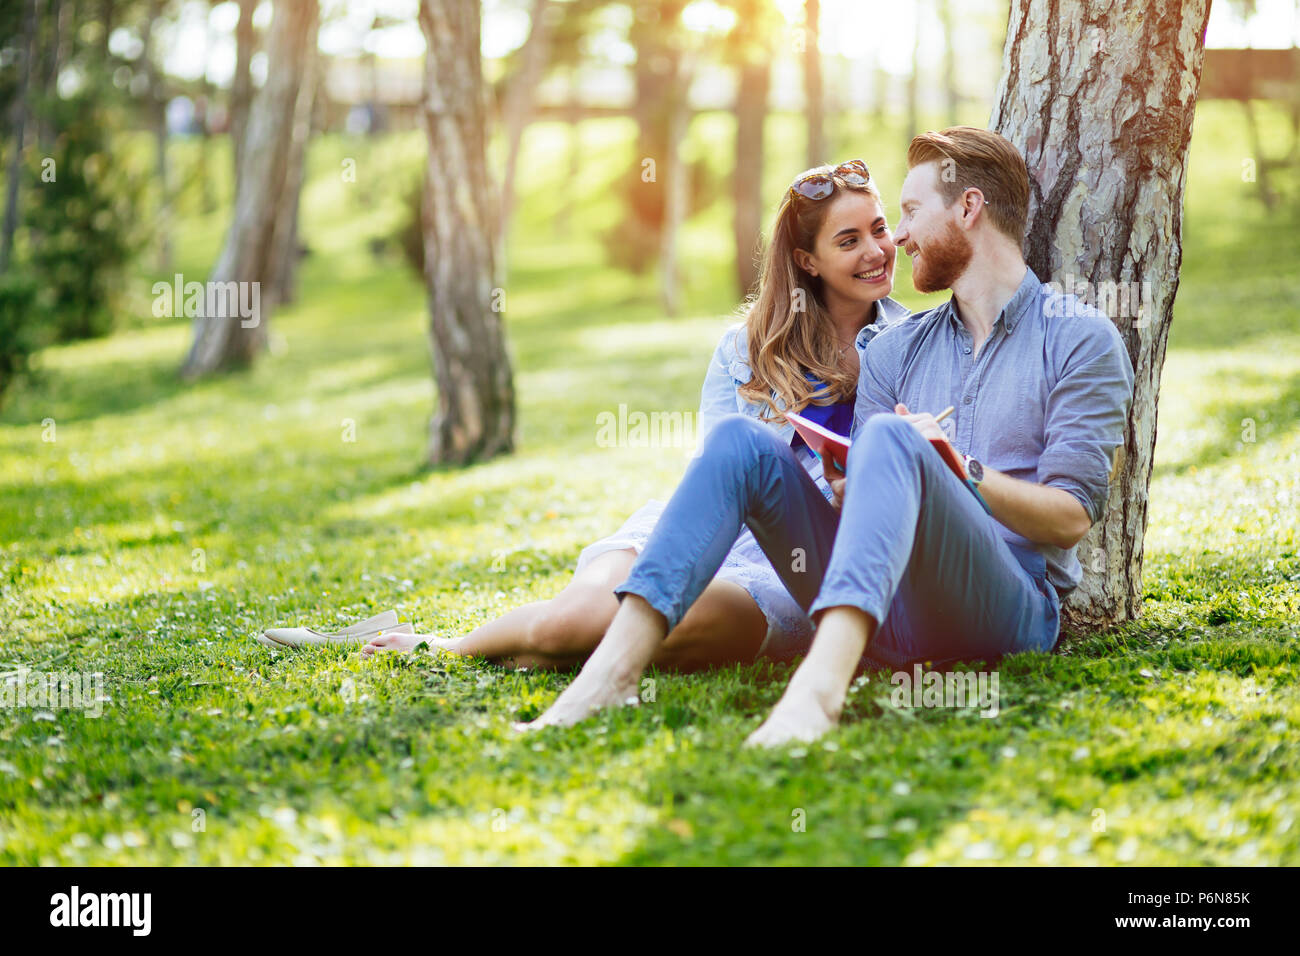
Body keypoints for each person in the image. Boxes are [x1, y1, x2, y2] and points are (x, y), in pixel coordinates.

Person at [521, 127, 1135, 745]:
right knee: (741, 441)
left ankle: (816, 697)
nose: (897, 235)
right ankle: (609, 676)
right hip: (889, 615)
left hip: (1003, 612)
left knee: (897, 440)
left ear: (968, 209)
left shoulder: (1079, 339)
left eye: (911, 211)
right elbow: (863, 510)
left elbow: (1069, 520)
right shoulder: (893, 349)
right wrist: (847, 485)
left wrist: (958, 468)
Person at [358, 159, 909, 671]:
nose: (876, 250)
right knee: (567, 626)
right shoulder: (747, 349)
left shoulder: (910, 345)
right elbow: (720, 480)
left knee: (641, 635)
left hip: (786, 572)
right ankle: (445, 646)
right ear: (807, 260)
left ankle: (517, 649)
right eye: (849, 240)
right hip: (695, 532)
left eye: (880, 230)